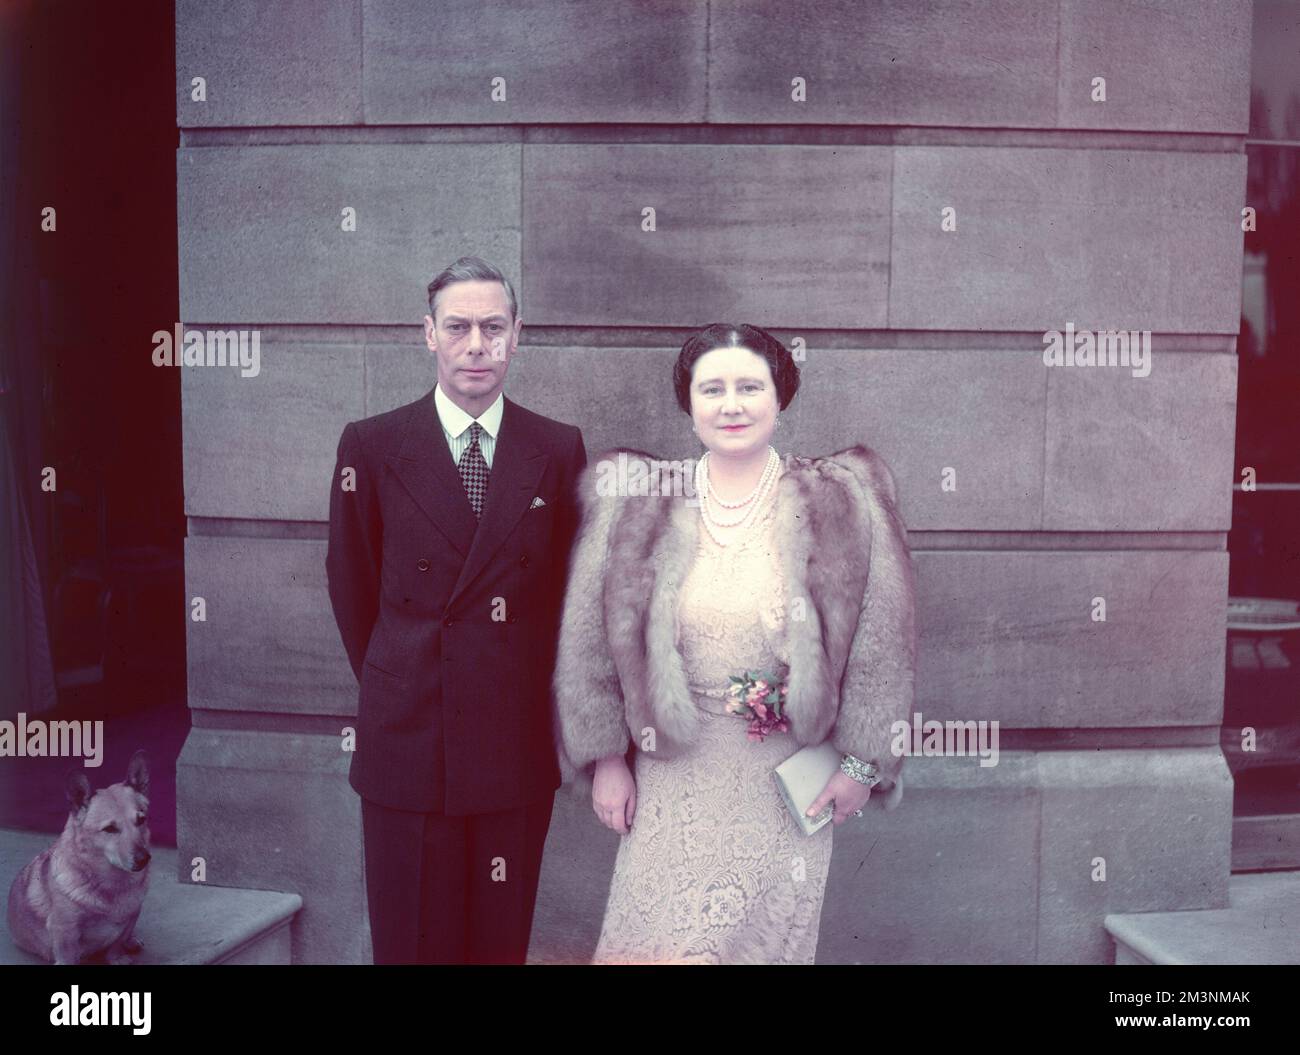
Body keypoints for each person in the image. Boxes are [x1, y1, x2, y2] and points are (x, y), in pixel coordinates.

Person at [552, 323, 915, 964]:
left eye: (750, 386)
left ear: (780, 397)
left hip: (784, 780)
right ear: (688, 404)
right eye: (711, 388)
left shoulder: (843, 501)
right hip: (672, 772)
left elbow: (882, 642)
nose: (732, 404)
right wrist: (606, 758)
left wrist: (863, 763)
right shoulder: (637, 501)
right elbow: (589, 642)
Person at [326, 256, 587, 964]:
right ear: (429, 334)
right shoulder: (373, 445)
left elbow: (568, 596)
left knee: (498, 944)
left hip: (511, 746)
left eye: (493, 327)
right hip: (408, 744)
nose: (477, 344)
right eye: (460, 326)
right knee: (414, 944)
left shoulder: (557, 449)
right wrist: (404, 679)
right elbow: (353, 589)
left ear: (517, 334)